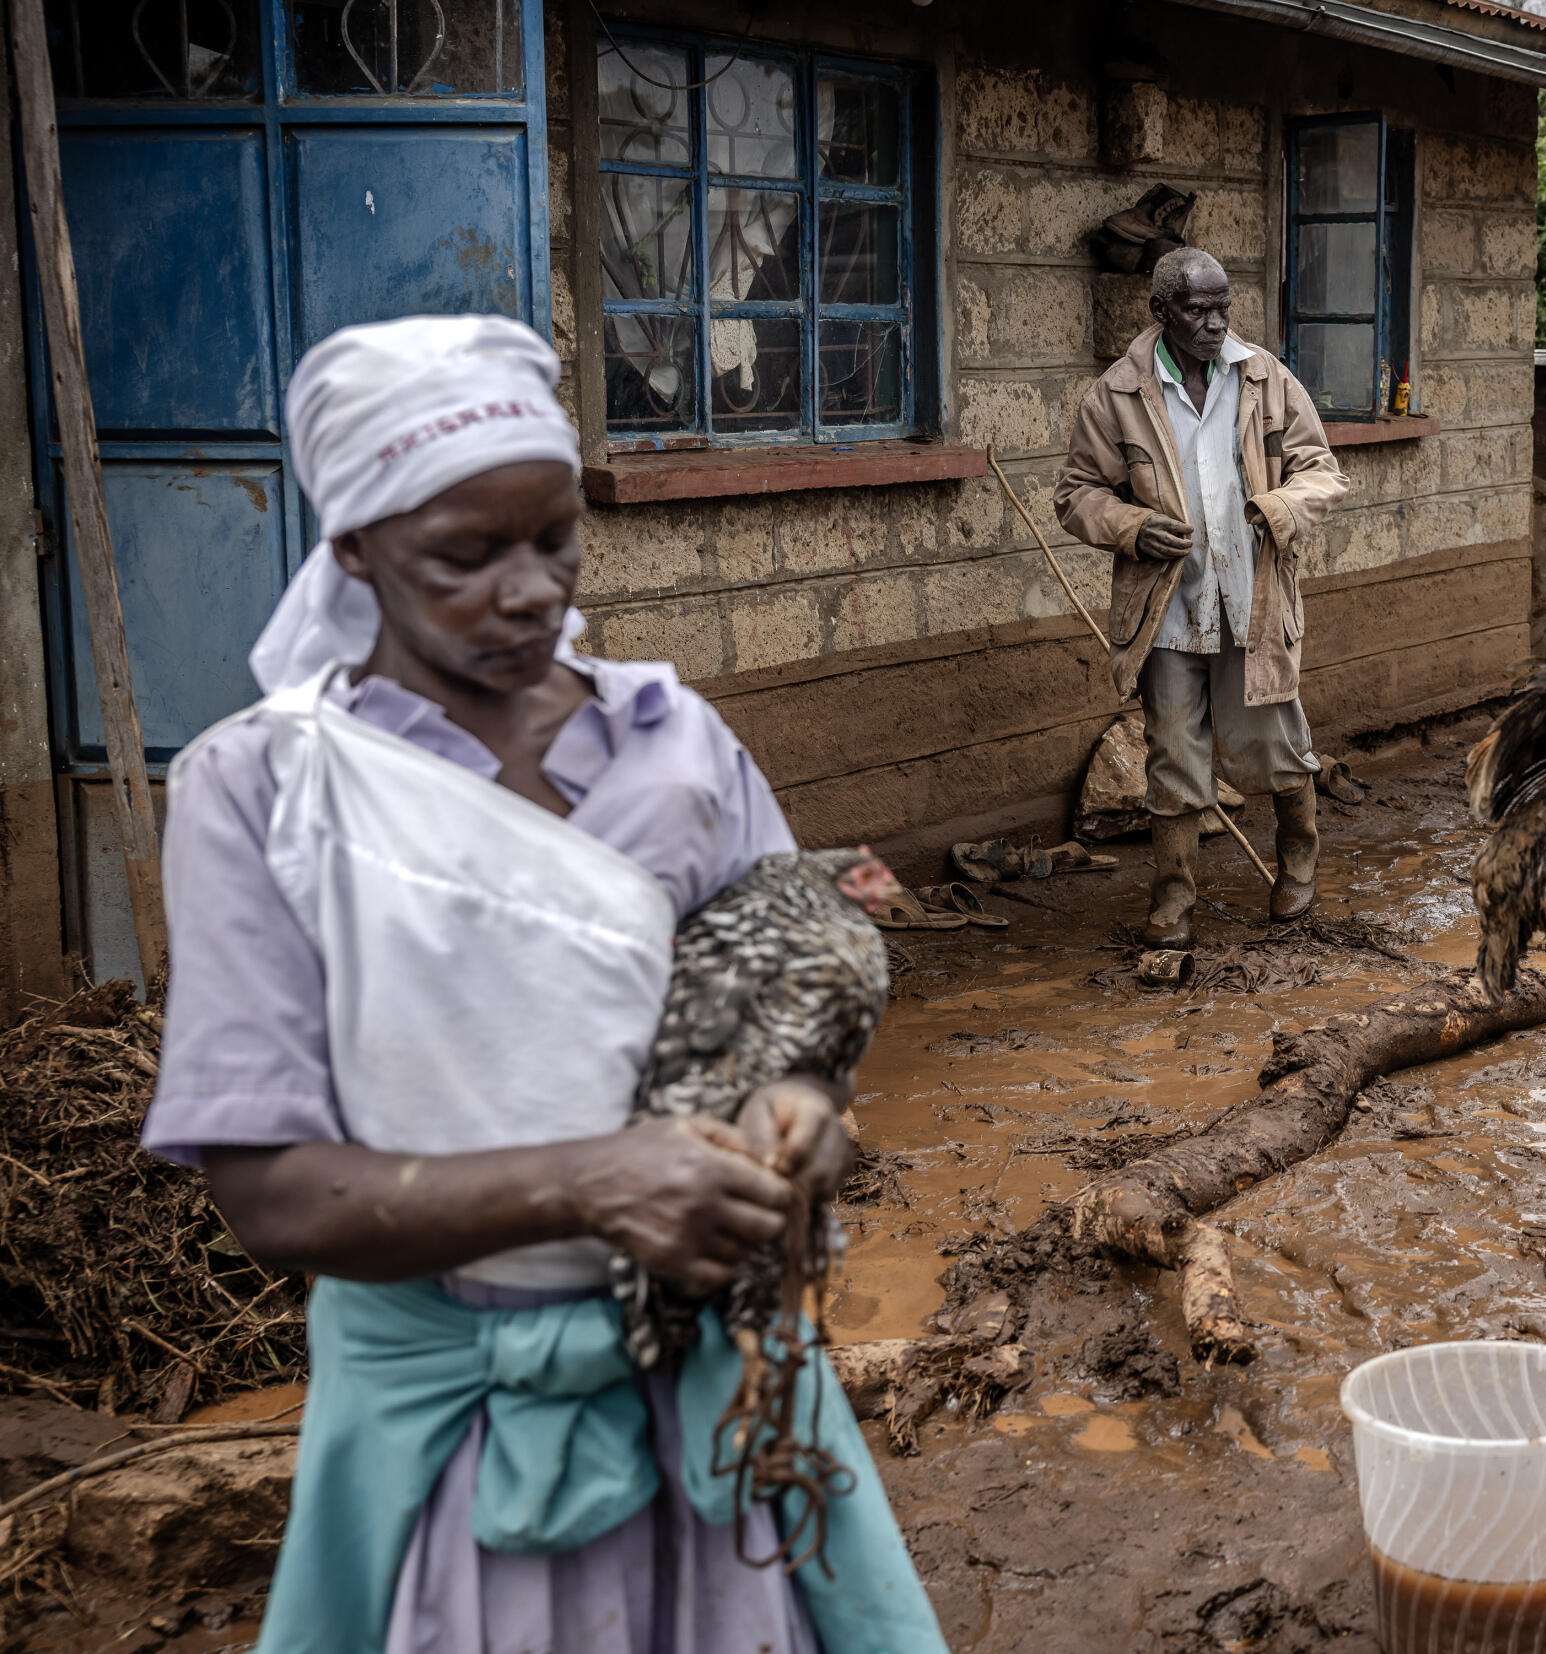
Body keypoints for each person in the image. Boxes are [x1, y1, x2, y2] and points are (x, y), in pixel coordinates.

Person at [141, 315, 948, 1652]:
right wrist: (598, 1181)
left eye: (556, 539)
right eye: (465, 555)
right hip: (449, 1434)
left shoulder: (674, 744)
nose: (529, 592)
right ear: (353, 548)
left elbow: (780, 1043)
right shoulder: (267, 790)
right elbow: (270, 1189)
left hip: (706, 1389)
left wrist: (794, 1135)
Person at [1055, 247, 1349, 949]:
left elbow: (1322, 471)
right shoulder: (1117, 394)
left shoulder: (1265, 379)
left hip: (1253, 602)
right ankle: (1174, 901)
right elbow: (1076, 495)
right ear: (1161, 312)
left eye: (1223, 306)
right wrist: (1129, 526)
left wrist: (1277, 508)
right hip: (1167, 612)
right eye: (1196, 308)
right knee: (1174, 759)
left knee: (1276, 747)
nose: (1215, 322)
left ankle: (1299, 863)